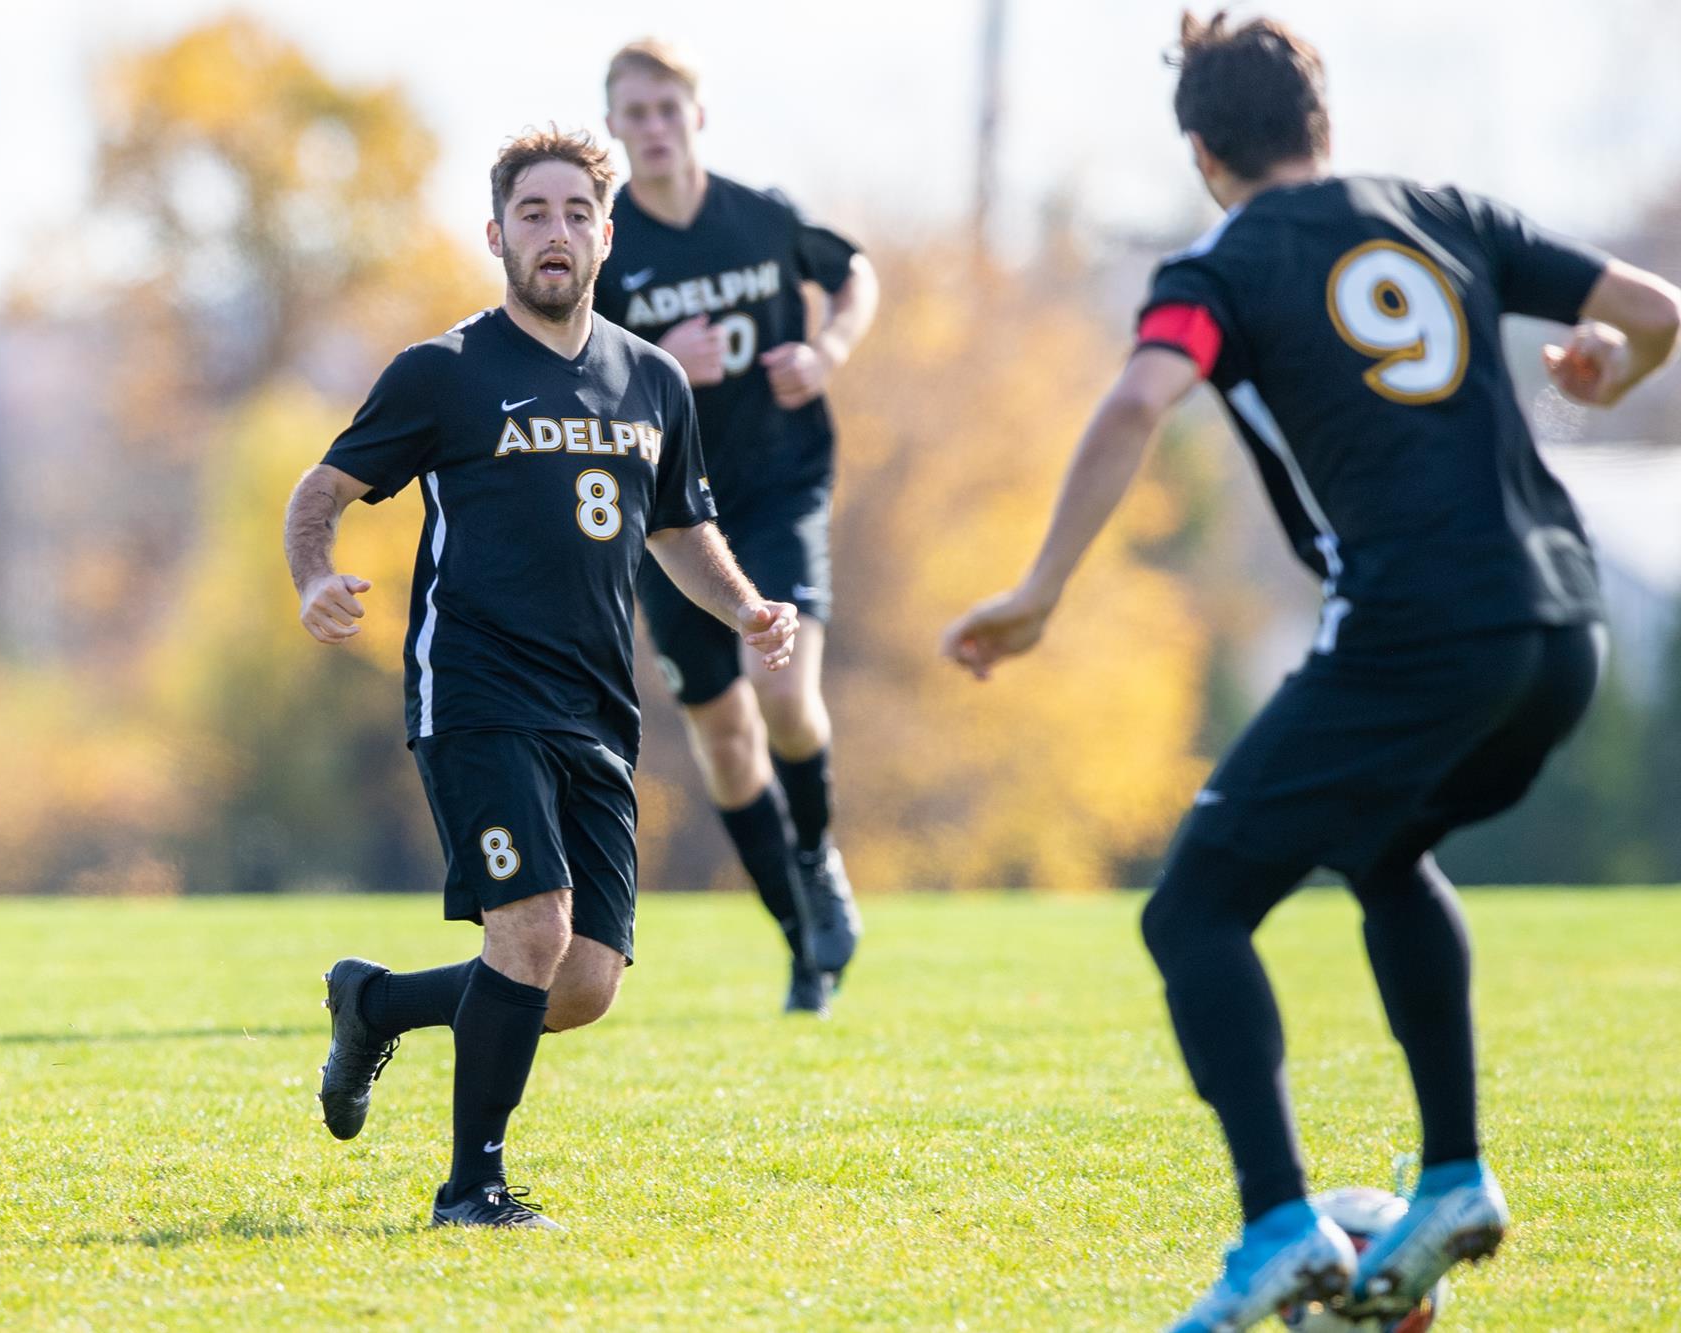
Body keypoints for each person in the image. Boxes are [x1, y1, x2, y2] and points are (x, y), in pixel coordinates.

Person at [938, 11, 1679, 1330]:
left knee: (1193, 910)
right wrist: (1609, 379)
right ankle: (1451, 1177)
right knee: (1387, 854)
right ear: (1323, 126)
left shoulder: (1220, 264)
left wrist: (1038, 592)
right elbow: (1655, 313)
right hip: (1561, 624)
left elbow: (1133, 402)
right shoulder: (1443, 207)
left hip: (1417, 629)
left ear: (1205, 155)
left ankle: (1280, 1226)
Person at [283, 127, 798, 1230]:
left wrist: (747, 605)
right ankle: (472, 1189)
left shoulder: (653, 379)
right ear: (495, 234)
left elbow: (681, 531)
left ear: (605, 236)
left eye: (574, 213)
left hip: (595, 713)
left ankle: (370, 1003)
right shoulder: (445, 373)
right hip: (472, 694)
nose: (554, 232)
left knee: (580, 981)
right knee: (529, 928)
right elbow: (317, 491)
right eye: (532, 213)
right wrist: (314, 576)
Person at [594, 40, 880, 1016]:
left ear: (695, 116)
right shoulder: (604, 243)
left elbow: (856, 276)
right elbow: (568, 368)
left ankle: (815, 856)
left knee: (784, 685)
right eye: (633, 113)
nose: (654, 128)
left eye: (667, 108)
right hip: (666, 514)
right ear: (614, 128)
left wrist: (829, 350)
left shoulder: (758, 219)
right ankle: (803, 940)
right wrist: (654, 360)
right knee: (721, 736)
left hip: (777, 485)